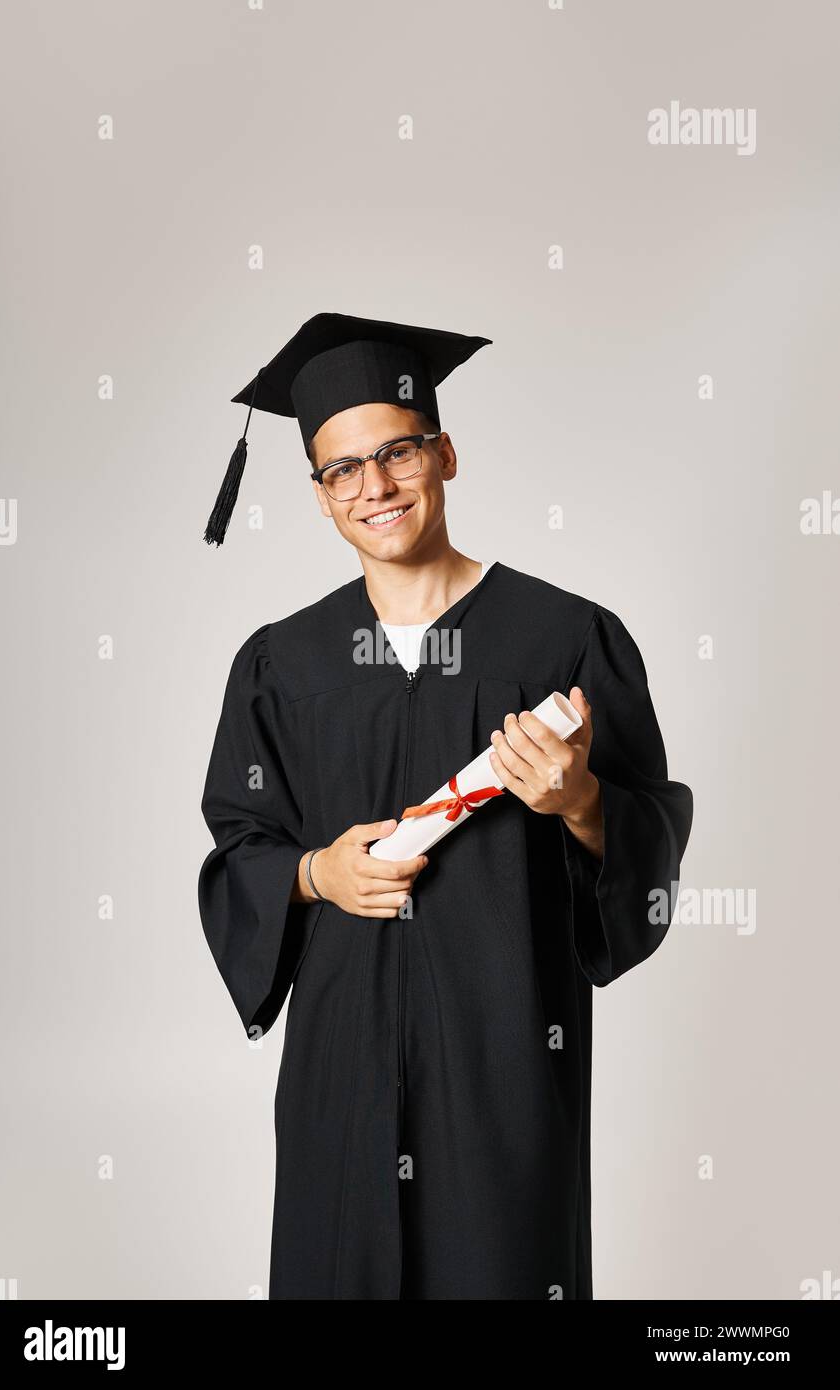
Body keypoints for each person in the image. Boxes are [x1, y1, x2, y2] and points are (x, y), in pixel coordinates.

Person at [198, 312, 694, 1300]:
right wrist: (313, 872)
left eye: (396, 451)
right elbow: (237, 846)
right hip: (340, 1070)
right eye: (341, 468)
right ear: (317, 491)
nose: (374, 486)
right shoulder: (279, 664)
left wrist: (580, 798)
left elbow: (648, 840)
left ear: (444, 452)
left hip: (505, 1065)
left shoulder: (563, 638)